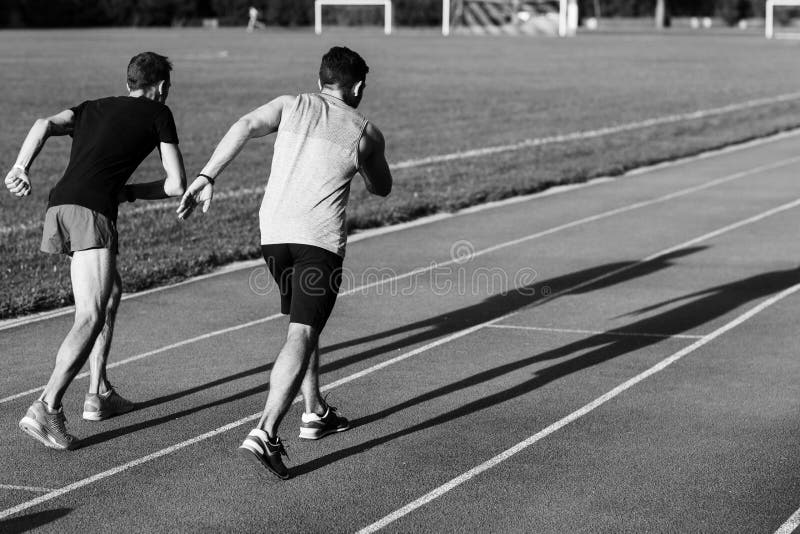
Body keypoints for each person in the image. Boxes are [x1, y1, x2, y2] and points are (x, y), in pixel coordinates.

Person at [178, 46, 392, 479]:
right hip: (317, 243)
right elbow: (381, 187)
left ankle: (314, 412)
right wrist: (364, 163)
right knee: (303, 330)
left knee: (301, 324)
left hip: (273, 238)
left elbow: (244, 125)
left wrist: (206, 176)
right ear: (358, 87)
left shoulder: (290, 104)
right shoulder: (366, 132)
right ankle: (265, 431)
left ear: (320, 82)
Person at [5, 52, 187, 450]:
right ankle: (46, 406)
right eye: (166, 87)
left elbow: (43, 124)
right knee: (89, 315)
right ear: (160, 87)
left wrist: (20, 167)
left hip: (60, 206)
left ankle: (98, 393)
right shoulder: (160, 112)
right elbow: (176, 184)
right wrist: (132, 193)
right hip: (92, 212)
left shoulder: (91, 107)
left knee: (111, 294)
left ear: (128, 84)